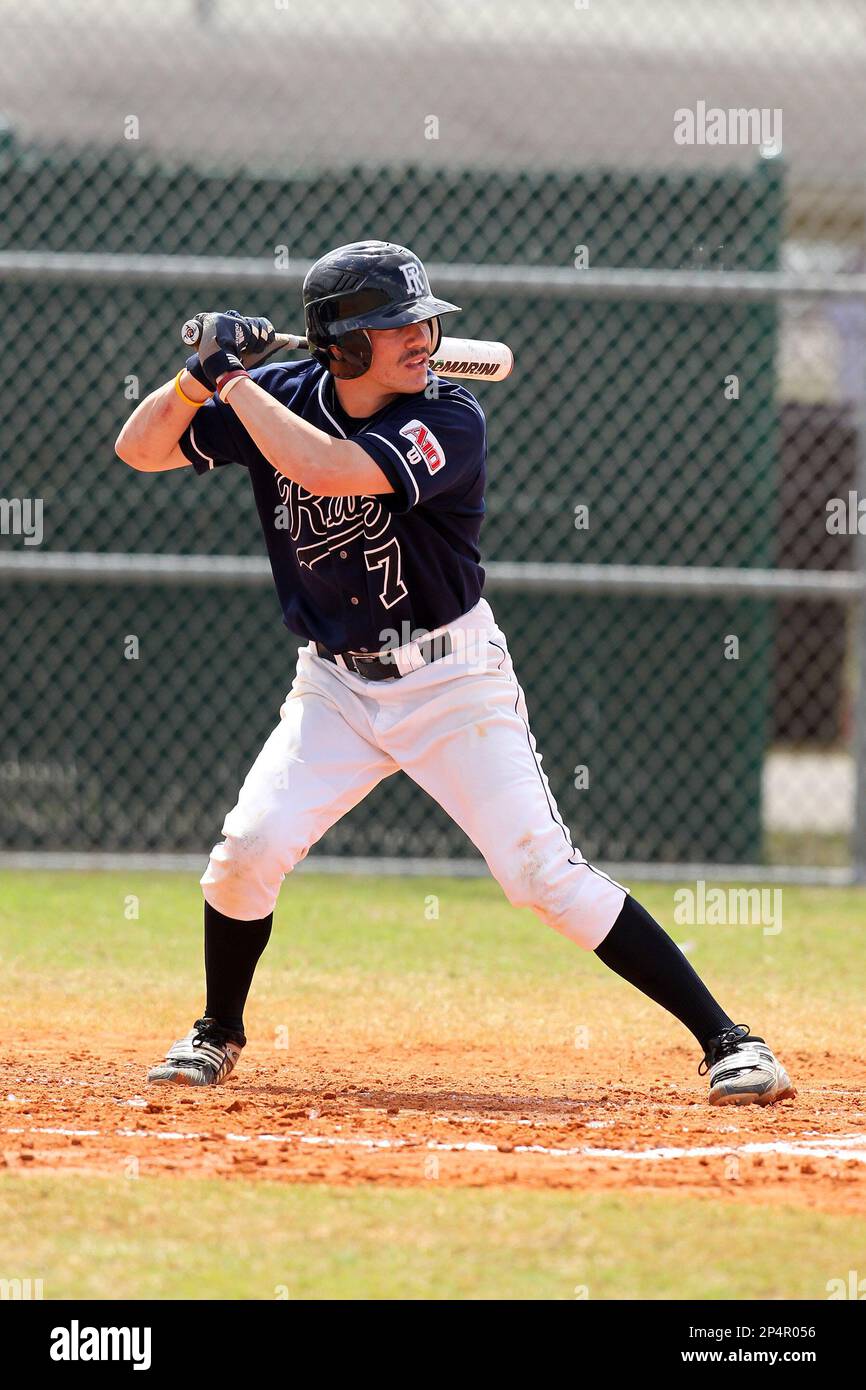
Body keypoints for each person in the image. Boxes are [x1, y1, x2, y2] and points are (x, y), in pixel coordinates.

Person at [115, 239, 795, 1107]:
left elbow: (326, 468)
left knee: (540, 873)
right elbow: (139, 449)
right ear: (343, 346)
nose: (423, 338)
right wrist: (190, 381)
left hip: (452, 680)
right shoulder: (285, 394)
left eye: (424, 321)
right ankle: (218, 1029)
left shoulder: (450, 418)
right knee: (246, 852)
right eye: (396, 325)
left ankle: (731, 1041)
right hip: (336, 685)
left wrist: (234, 380)